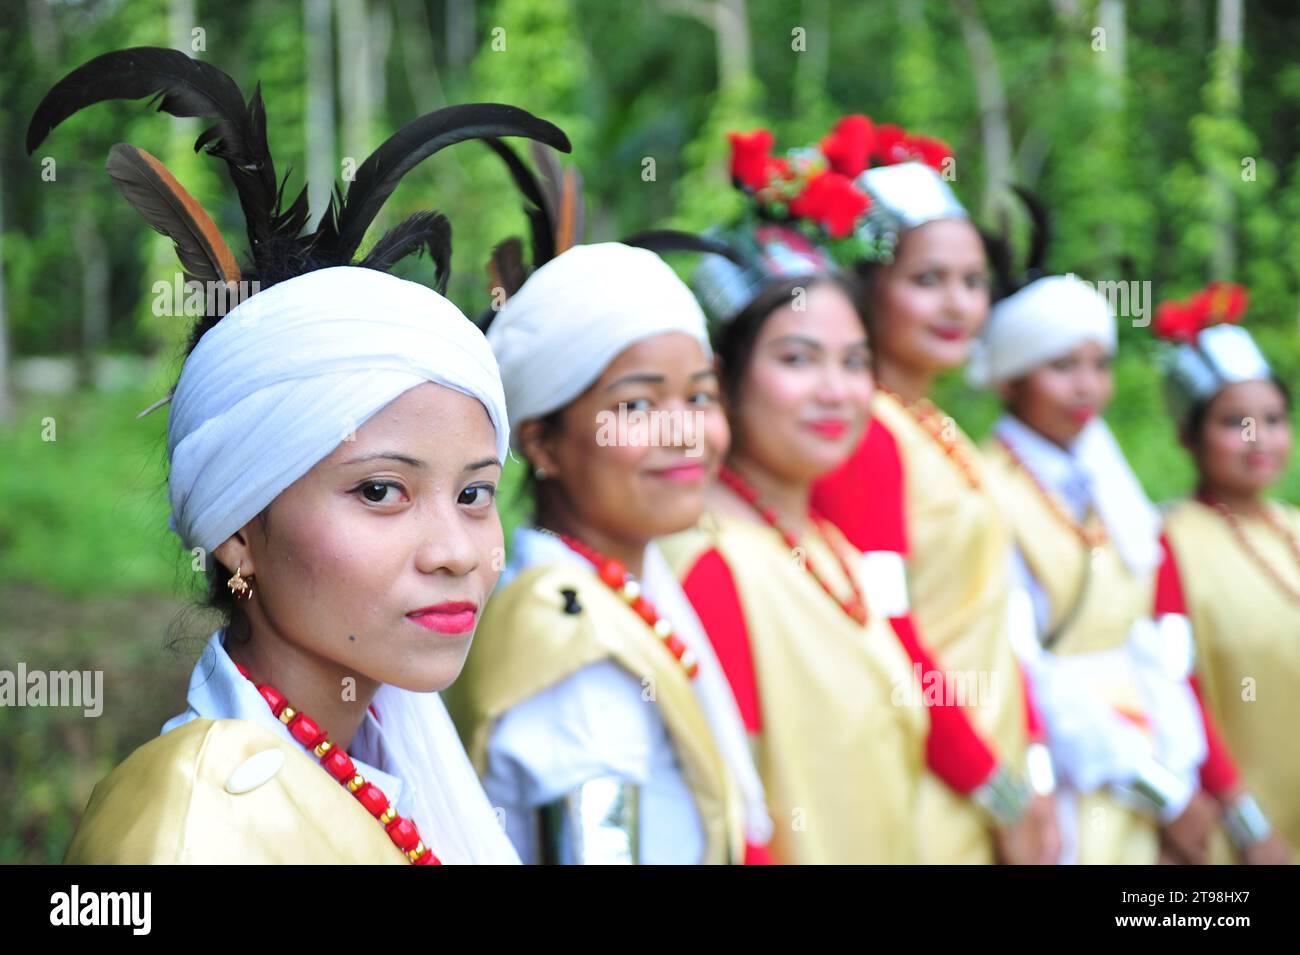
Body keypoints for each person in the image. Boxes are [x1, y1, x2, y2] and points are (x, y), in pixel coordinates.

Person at [27, 46, 568, 863]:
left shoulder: (383, 755)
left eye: (474, 494)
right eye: (382, 490)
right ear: (240, 529)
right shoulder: (193, 827)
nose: (458, 553)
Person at [445, 228, 764, 863]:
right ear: (540, 445)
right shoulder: (575, 651)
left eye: (701, 395)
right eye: (638, 404)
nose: (686, 432)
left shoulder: (626, 592)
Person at [807, 116, 1053, 863]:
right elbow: (890, 630)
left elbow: (996, 616)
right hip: (931, 787)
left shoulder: (935, 424)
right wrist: (998, 790)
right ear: (869, 285)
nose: (957, 304)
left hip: (988, 768)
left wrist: (1032, 769)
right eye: (927, 279)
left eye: (973, 282)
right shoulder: (865, 431)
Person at [973, 274, 1222, 864]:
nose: (1088, 387)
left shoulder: (1106, 478)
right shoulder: (989, 490)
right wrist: (1159, 790)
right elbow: (1024, 664)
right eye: (1062, 366)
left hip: (1155, 755)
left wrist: (1180, 771)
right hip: (1069, 774)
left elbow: (1150, 636)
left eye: (1100, 364)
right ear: (1012, 377)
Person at [1152, 283, 1295, 862]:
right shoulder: (1168, 541)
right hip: (1241, 831)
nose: (1258, 439)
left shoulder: (1293, 525)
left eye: (1274, 418)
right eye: (1234, 422)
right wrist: (1246, 822)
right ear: (1189, 435)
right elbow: (1172, 684)